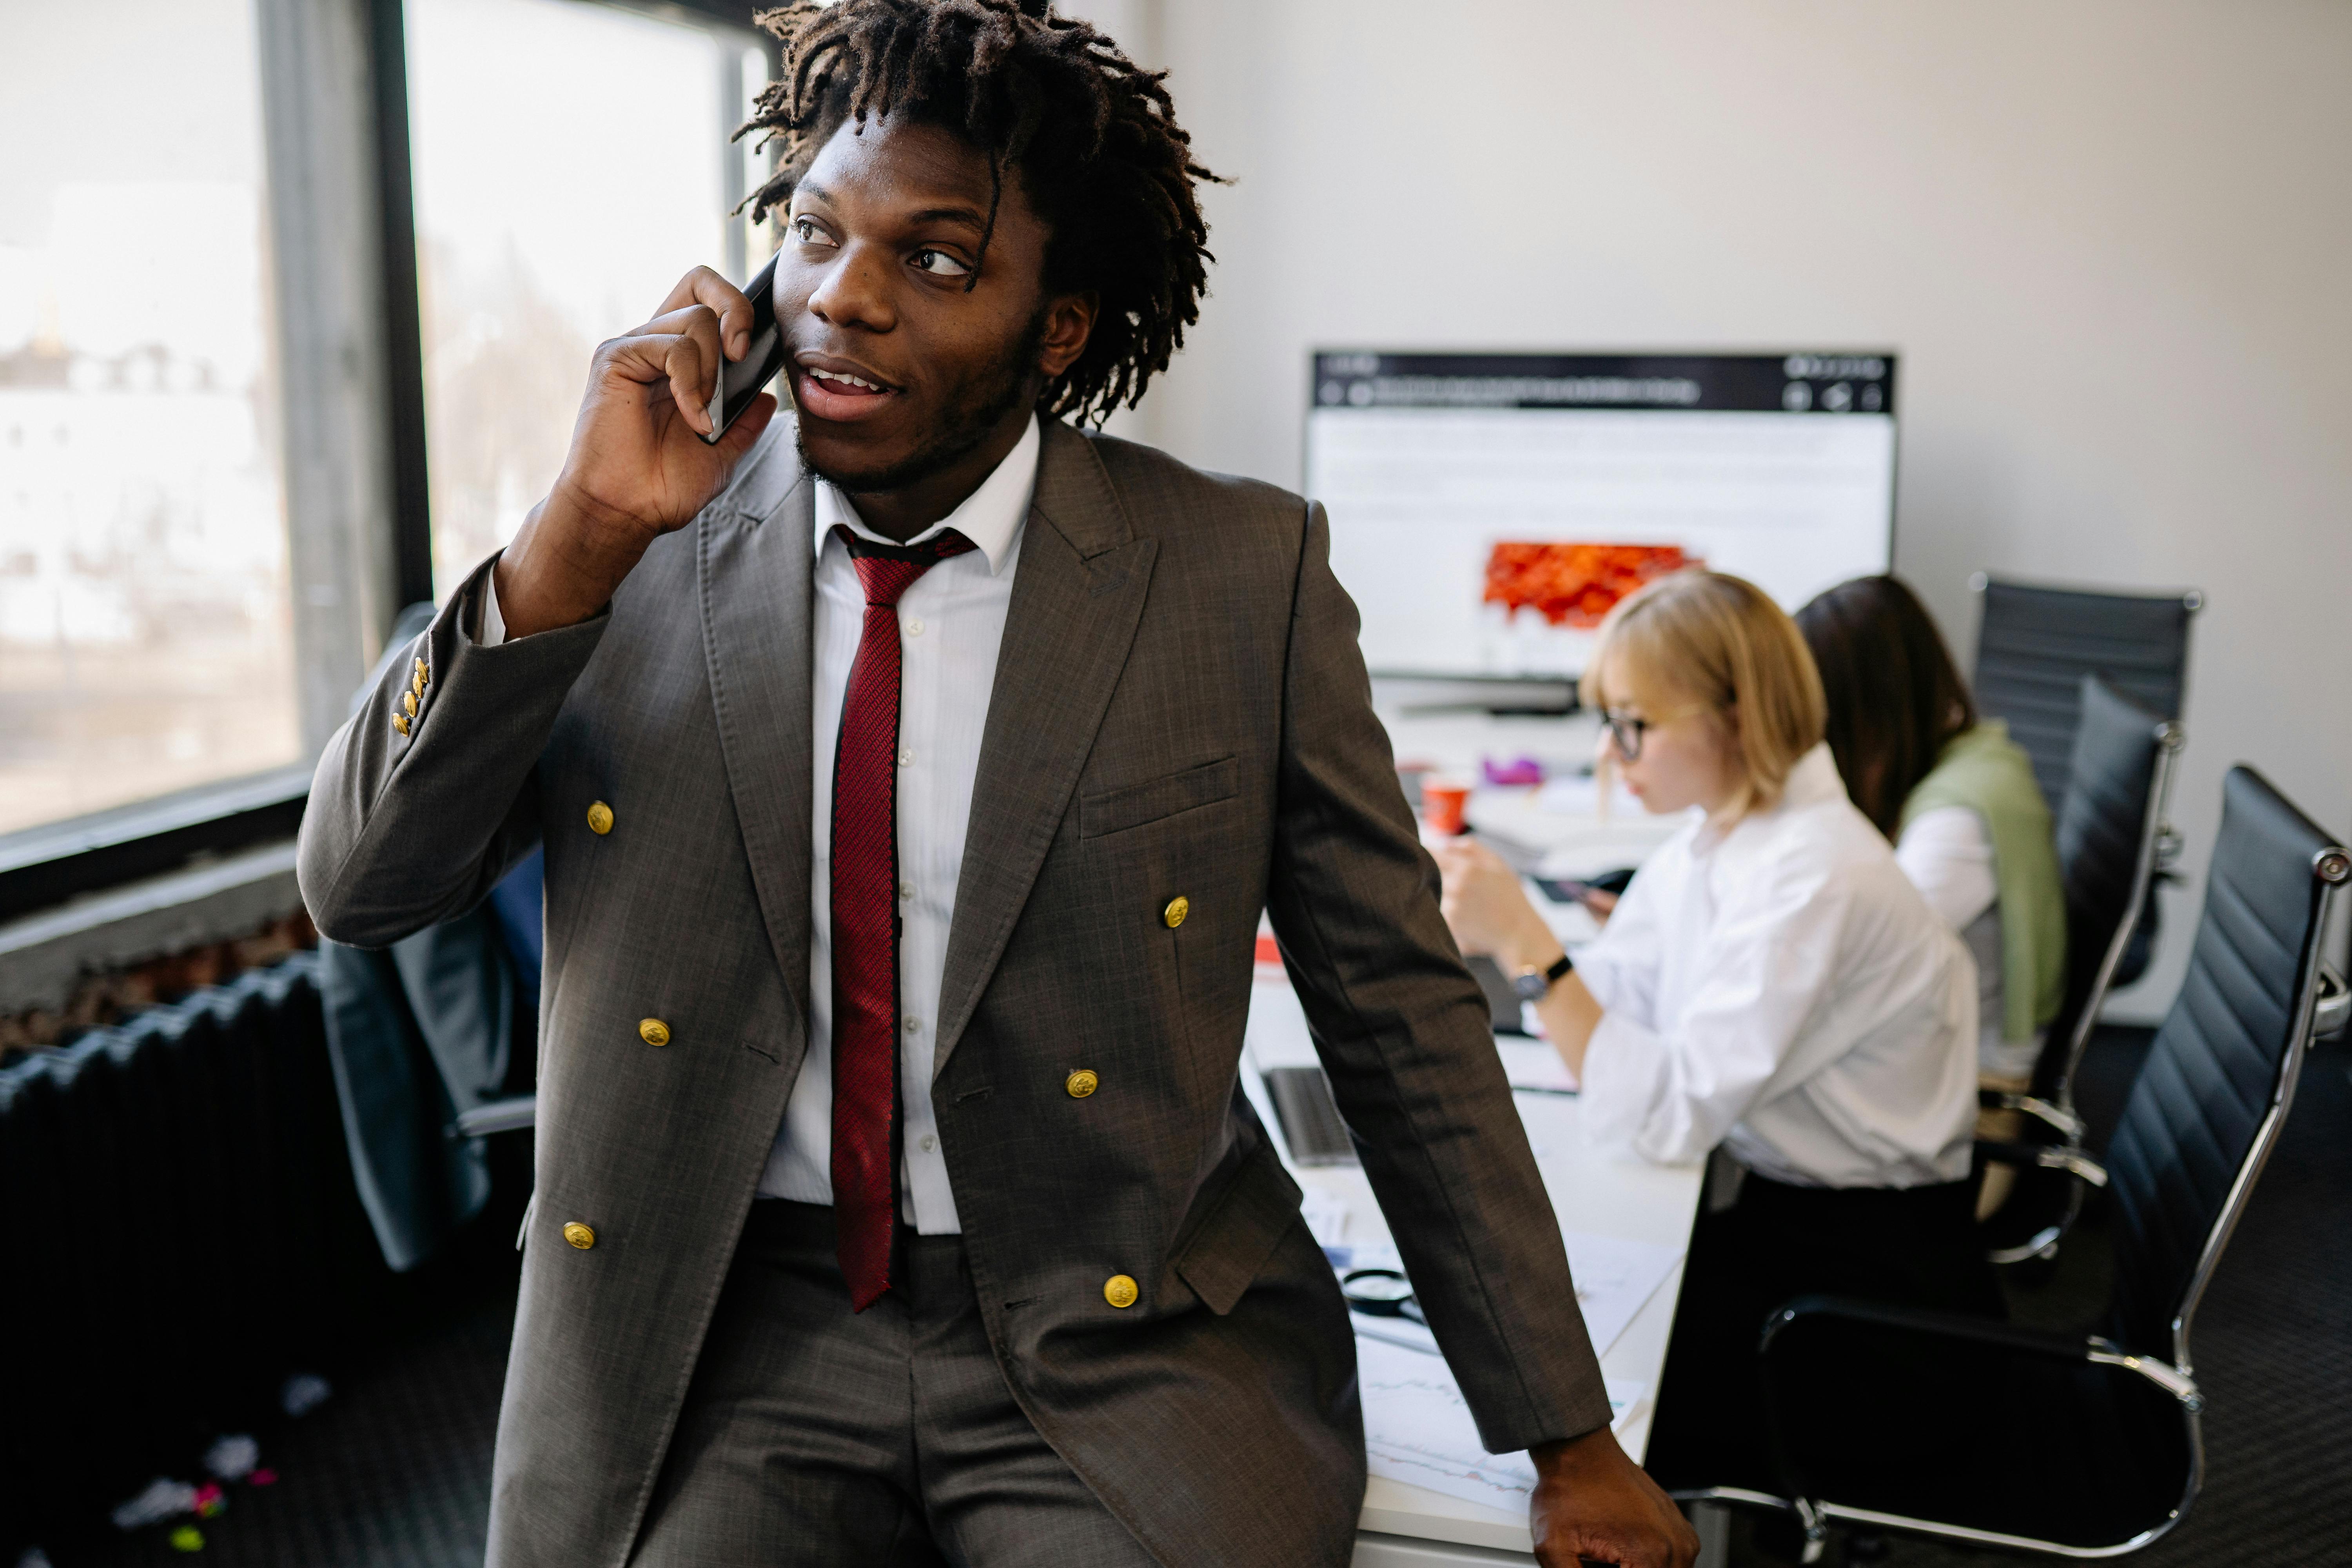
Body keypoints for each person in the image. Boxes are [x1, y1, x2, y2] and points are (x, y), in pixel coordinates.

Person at [296, 3, 1695, 1564]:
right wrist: (572, 533)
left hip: (1120, 1326)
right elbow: (361, 885)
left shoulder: (1236, 574)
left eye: (936, 260)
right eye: (815, 235)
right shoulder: (631, 543)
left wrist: (1570, 1435)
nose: (844, 300)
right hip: (725, 1333)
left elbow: (1398, 1016)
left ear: (1061, 327)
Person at [1435, 570, 1995, 1489]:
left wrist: (1528, 944)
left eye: (1636, 724)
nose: (1616, 756)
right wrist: (1514, 941)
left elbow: (1665, 1113)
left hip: (1861, 1308)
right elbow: (1619, 996)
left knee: (1547, 1402)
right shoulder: (1726, 833)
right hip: (1792, 1233)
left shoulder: (1816, 876)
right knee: (1527, 1325)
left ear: (1734, 716)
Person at [1795, 574, 2066, 1214]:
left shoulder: (1959, 825)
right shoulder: (1962, 756)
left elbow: (1854, 960)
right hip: (1928, 1067)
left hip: (1968, 1118)